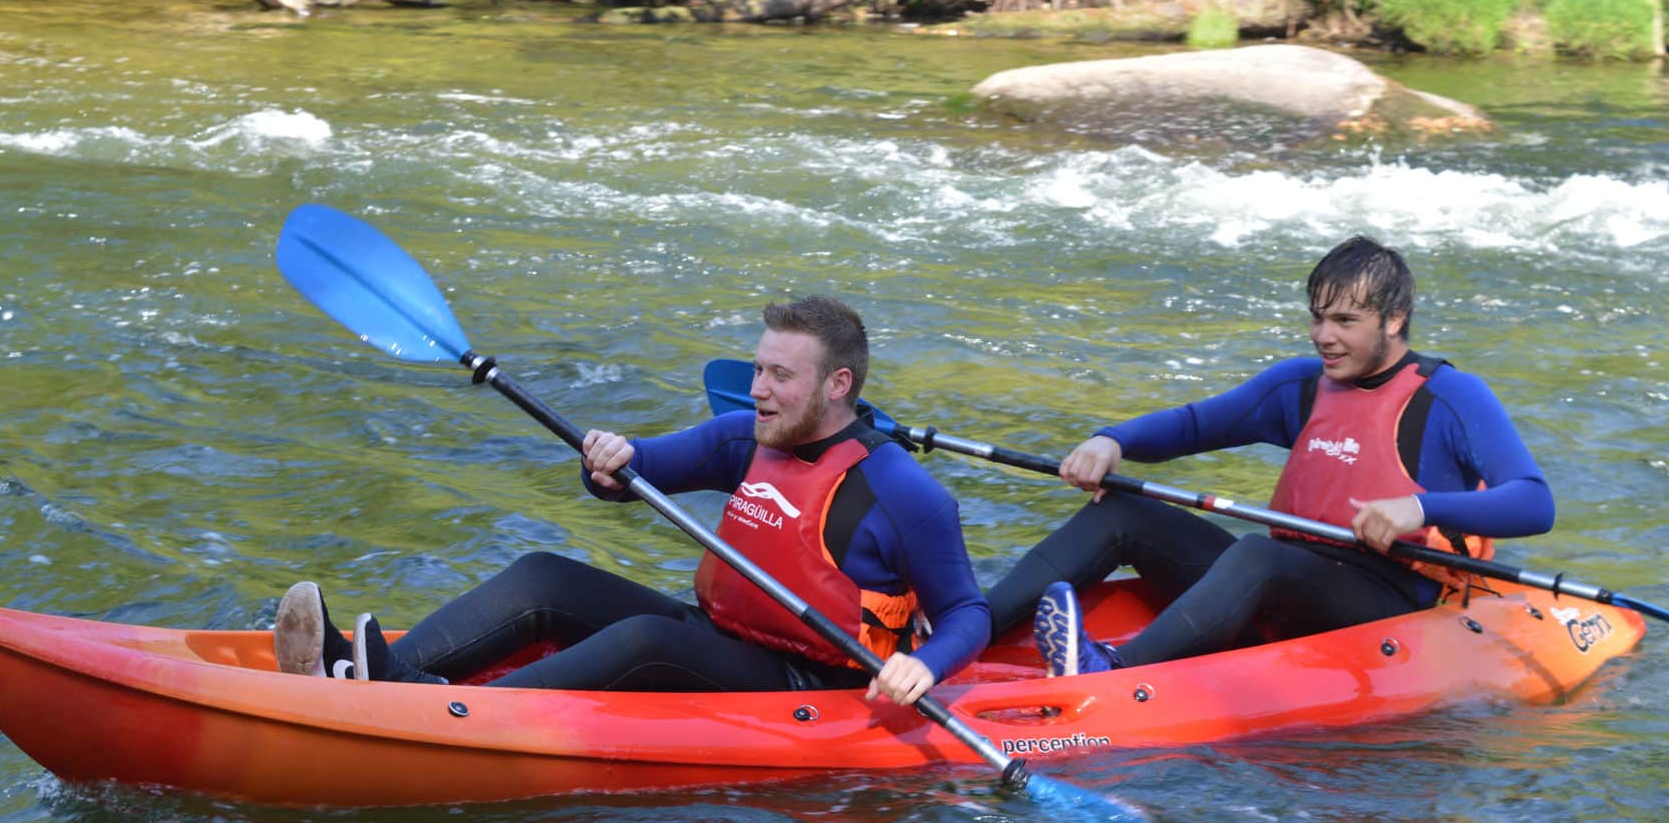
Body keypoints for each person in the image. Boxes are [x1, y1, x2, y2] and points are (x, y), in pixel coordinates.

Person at [272, 295, 990, 705]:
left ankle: (447, 714)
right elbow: (634, 472)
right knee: (544, 575)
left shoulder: (905, 492)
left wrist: (923, 666)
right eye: (758, 368)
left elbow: (966, 611)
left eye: (780, 375)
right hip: (723, 636)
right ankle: (380, 677)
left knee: (644, 643)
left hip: (813, 679)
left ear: (838, 386)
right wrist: (611, 462)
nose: (759, 388)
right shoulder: (746, 436)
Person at [984, 235, 1554, 675]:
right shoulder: (1303, 386)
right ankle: (968, 627)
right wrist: (1113, 440)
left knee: (1259, 555)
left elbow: (1534, 503)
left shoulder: (1451, 396)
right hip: (1283, 582)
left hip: (1387, 601)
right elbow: (1193, 425)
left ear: (1394, 319)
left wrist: (1420, 509)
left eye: (1345, 321)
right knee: (1123, 511)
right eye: (1317, 316)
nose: (1323, 336)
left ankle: (1113, 673)